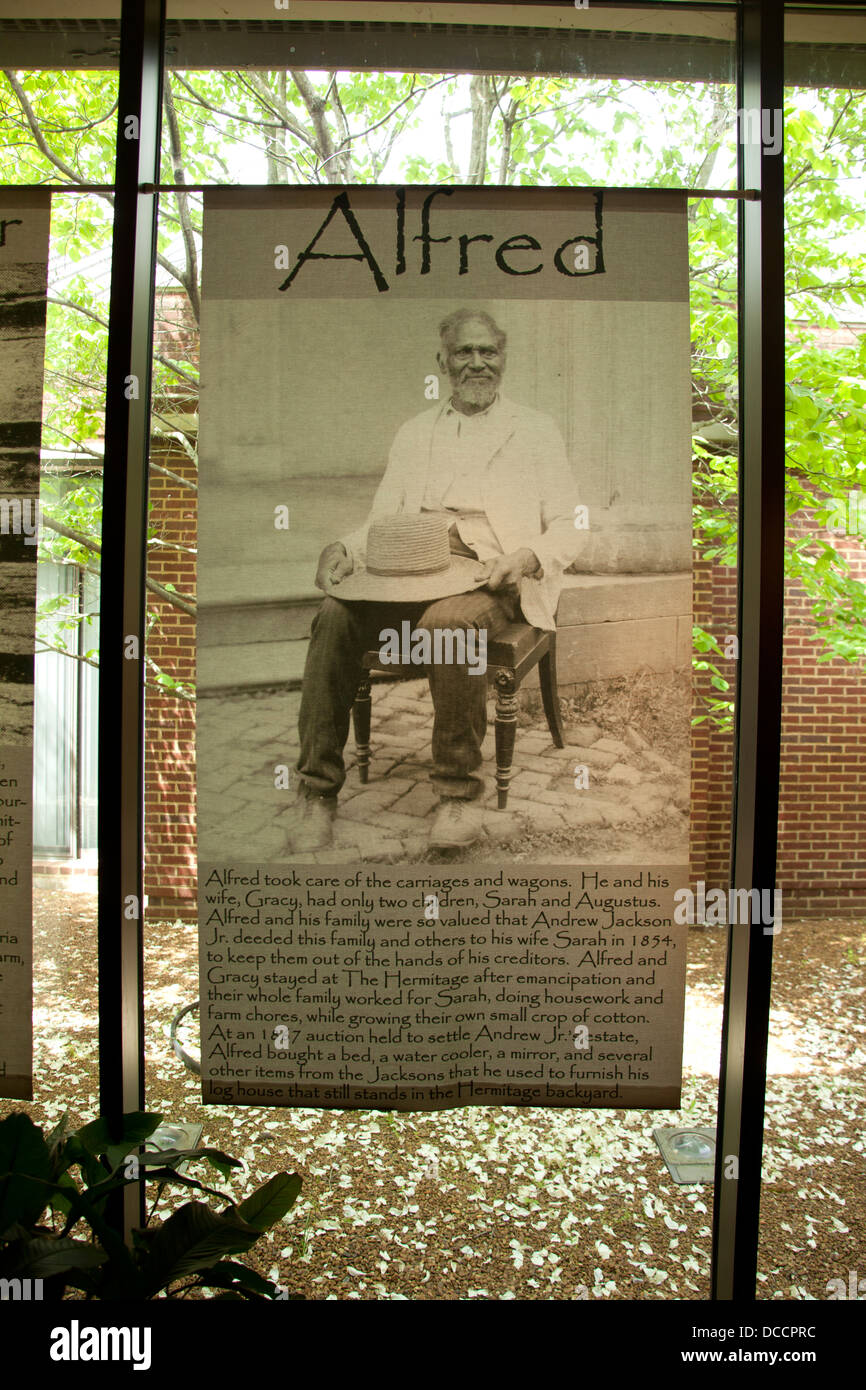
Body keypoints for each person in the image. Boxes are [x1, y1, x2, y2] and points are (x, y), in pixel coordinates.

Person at [285, 307, 582, 853]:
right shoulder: (416, 432)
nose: (477, 364)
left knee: (447, 624)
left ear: (503, 358)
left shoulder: (535, 431)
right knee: (333, 616)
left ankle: (455, 797)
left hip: (495, 578)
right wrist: (344, 549)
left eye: (487, 352)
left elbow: (572, 522)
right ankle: (316, 792)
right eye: (464, 353)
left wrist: (526, 555)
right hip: (411, 572)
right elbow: (382, 520)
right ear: (442, 361)